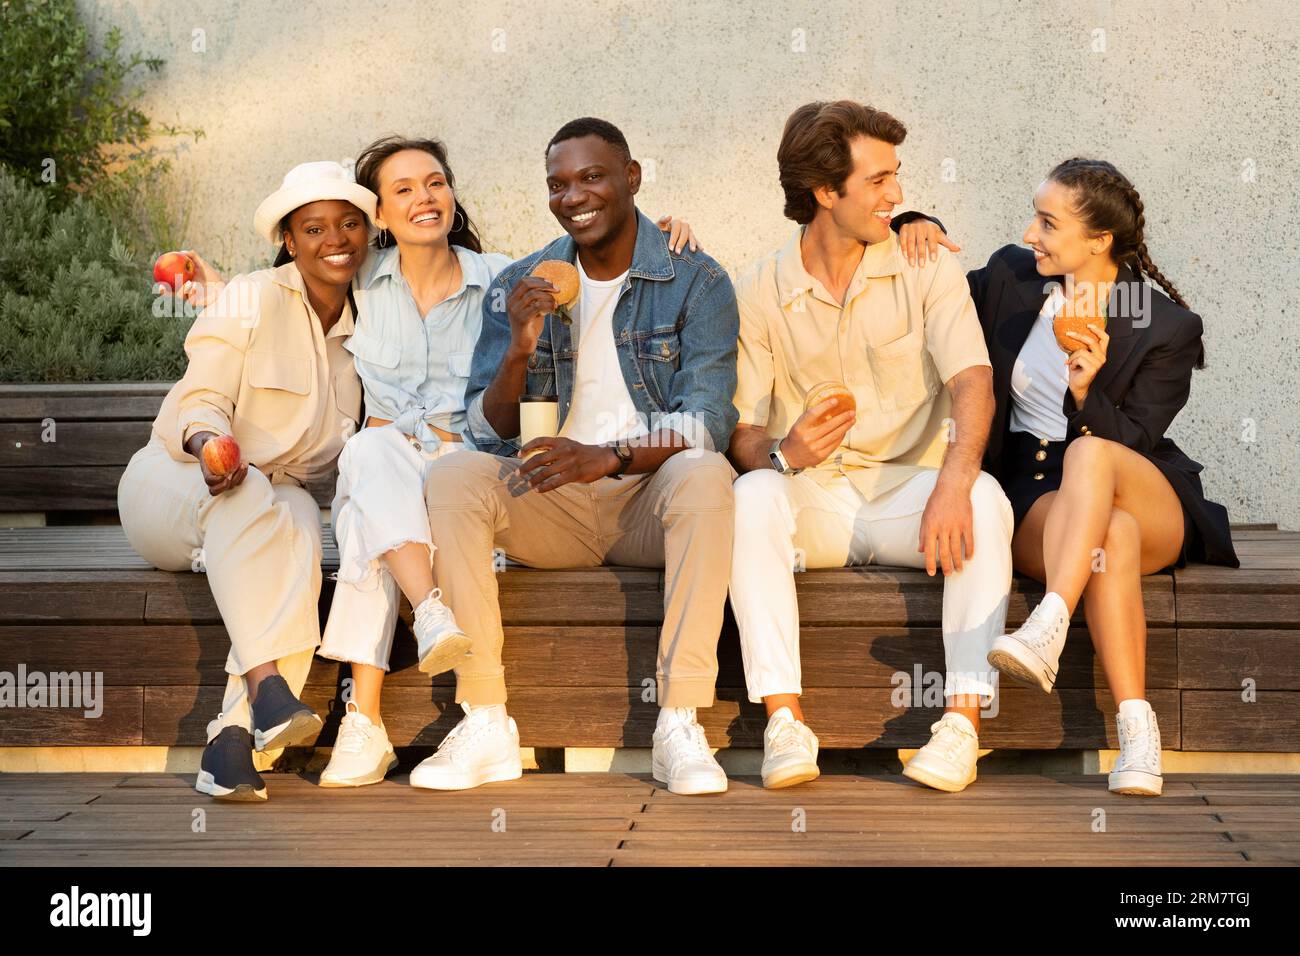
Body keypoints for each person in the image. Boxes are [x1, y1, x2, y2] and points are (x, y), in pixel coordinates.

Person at [184, 138, 701, 790]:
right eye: (402, 190)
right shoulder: (362, 281)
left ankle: (360, 720)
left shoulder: (505, 278)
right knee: (370, 457)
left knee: (365, 518)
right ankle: (428, 614)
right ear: (379, 214)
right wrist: (218, 291)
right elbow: (291, 294)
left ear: (452, 196)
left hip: (468, 477)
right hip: (389, 463)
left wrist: (664, 231)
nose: (423, 198)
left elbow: (597, 262)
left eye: (434, 183)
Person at [894, 157, 1239, 796]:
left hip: (1139, 480)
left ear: (1099, 240)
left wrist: (1085, 393)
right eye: (1035, 216)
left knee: (1092, 456)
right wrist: (915, 223)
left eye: (1048, 223)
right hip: (1038, 493)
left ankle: (1050, 618)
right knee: (1110, 541)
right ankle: (1138, 730)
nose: (1031, 233)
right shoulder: (1009, 279)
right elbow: (929, 293)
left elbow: (1133, 439)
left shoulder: (1165, 326)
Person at [416, 117, 740, 794]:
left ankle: (679, 722)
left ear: (630, 178)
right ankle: (486, 720)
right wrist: (519, 345)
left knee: (706, 470)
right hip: (554, 500)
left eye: (591, 177)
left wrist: (609, 455)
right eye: (558, 184)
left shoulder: (697, 281)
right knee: (453, 476)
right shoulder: (523, 281)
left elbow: (706, 421)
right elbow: (486, 430)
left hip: (645, 501)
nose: (573, 196)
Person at [727, 101, 1014, 793]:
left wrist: (951, 480)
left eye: (897, 176)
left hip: (913, 503)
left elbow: (973, 381)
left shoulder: (924, 261)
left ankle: (961, 726)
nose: (898, 195)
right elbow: (740, 432)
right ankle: (785, 723)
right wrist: (783, 452)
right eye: (880, 180)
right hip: (816, 500)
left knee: (983, 495)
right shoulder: (760, 287)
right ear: (827, 193)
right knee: (751, 493)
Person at [117, 161, 377, 801]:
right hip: (173, 483)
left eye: (348, 224)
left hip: (270, 495)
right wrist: (210, 445)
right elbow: (200, 396)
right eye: (313, 227)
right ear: (289, 241)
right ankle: (265, 682)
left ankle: (229, 741)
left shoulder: (373, 322)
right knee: (254, 497)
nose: (335, 239)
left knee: (301, 535)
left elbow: (462, 266)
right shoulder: (252, 297)